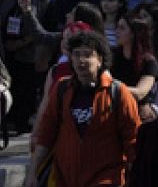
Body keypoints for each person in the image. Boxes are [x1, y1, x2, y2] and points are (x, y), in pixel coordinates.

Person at [29, 29, 140, 187]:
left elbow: (132, 140)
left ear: (100, 60)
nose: (81, 60)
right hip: (65, 179)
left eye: (88, 55)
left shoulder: (118, 92)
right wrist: (32, 172)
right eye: (76, 54)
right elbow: (47, 133)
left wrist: (135, 177)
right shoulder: (61, 89)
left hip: (107, 178)